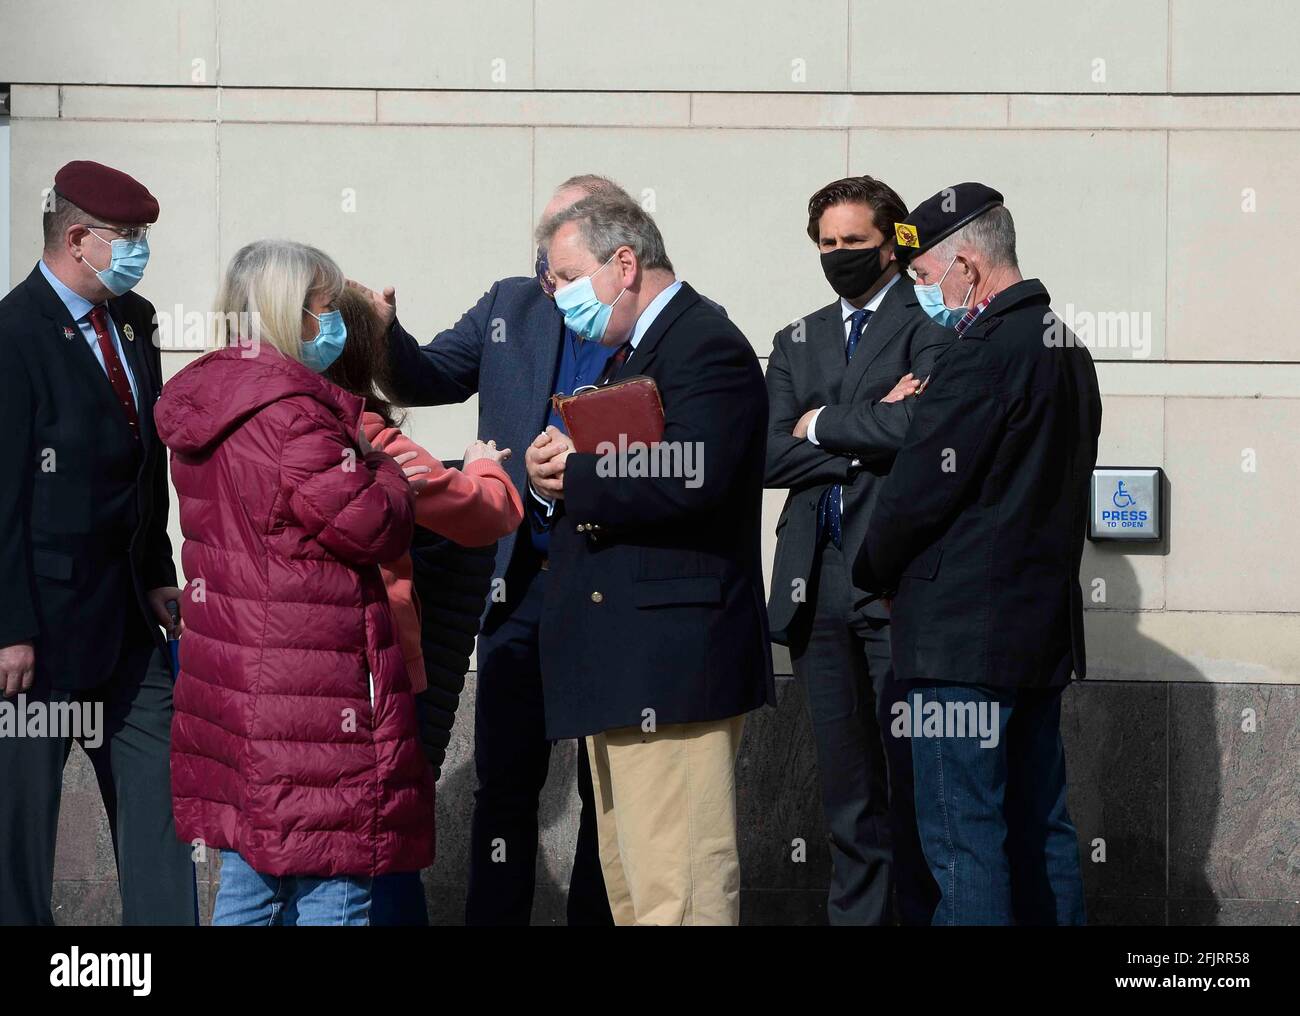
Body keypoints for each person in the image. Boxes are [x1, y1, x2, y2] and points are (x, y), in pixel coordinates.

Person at [358, 175, 627, 926]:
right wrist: (385, 330)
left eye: (566, 242)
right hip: (520, 582)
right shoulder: (511, 302)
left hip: (612, 579)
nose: (550, 263)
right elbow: (429, 375)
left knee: (611, 784)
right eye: (546, 243)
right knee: (506, 781)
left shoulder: (646, 320)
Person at [155, 240, 425, 926]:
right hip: (311, 687)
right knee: (335, 884)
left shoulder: (214, 398)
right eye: (325, 309)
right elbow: (370, 525)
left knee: (253, 881)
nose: (332, 325)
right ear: (287, 312)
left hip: (237, 676)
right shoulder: (295, 413)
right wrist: (386, 471)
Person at [854, 183, 1102, 925]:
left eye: (924, 278)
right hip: (1034, 640)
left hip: (959, 646)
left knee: (963, 844)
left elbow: (916, 493)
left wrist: (870, 570)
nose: (922, 295)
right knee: (1041, 830)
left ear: (966, 262)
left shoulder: (980, 354)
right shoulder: (1067, 347)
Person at [526, 193, 774, 926]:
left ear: (624, 263)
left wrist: (576, 475)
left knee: (682, 890)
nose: (558, 296)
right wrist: (555, 481)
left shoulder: (705, 343)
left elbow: (695, 472)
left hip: (669, 666)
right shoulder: (631, 353)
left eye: (567, 276)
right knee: (637, 892)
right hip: (625, 665)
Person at [0, 160, 195, 925]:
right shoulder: (13, 335)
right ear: (78, 238)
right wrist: (7, 628)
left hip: (126, 629)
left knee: (160, 811)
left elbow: (148, 466)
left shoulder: (134, 320)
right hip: (36, 639)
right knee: (20, 835)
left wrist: (157, 572)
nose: (141, 250)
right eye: (130, 237)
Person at [765, 174, 948, 925]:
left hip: (897, 584)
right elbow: (767, 458)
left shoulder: (930, 322)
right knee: (847, 795)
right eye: (828, 244)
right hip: (816, 587)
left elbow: (920, 434)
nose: (839, 255)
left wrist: (819, 425)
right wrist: (860, 425)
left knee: (914, 786)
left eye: (856, 243)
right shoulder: (796, 337)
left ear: (893, 242)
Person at [328, 288, 524, 924]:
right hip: (376, 668)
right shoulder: (366, 436)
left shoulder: (257, 428)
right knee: (385, 841)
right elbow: (479, 513)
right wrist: (485, 468)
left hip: (285, 674)